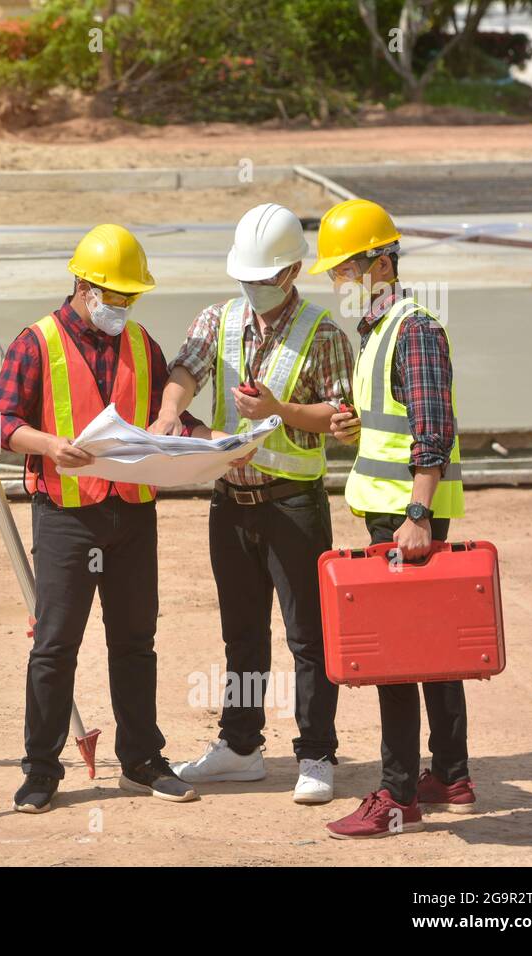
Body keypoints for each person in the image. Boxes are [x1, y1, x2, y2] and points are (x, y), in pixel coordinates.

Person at [0, 224, 201, 813]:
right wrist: (49, 445)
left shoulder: (141, 344)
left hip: (131, 515)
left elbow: (170, 416)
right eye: (116, 295)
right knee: (55, 646)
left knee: (136, 642)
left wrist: (208, 442)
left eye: (132, 297)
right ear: (83, 286)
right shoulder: (36, 343)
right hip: (67, 517)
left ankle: (142, 762)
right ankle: (40, 771)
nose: (123, 307)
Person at [152, 203, 355, 804]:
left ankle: (316, 752)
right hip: (230, 503)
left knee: (307, 636)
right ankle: (241, 746)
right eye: (246, 276)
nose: (253, 287)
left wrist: (279, 412)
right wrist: (169, 409)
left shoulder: (322, 334)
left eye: (264, 278)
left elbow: (341, 417)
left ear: (292, 272)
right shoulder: (220, 318)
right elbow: (186, 367)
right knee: (241, 635)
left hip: (293, 505)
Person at [310, 197, 475, 839]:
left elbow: (433, 428)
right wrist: (353, 424)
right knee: (430, 649)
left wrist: (418, 515)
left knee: (397, 658)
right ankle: (451, 774)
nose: (339, 280)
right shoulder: (376, 332)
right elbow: (394, 425)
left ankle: (398, 794)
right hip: (391, 511)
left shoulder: (415, 329)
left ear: (382, 260)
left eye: (347, 267)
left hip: (403, 519)